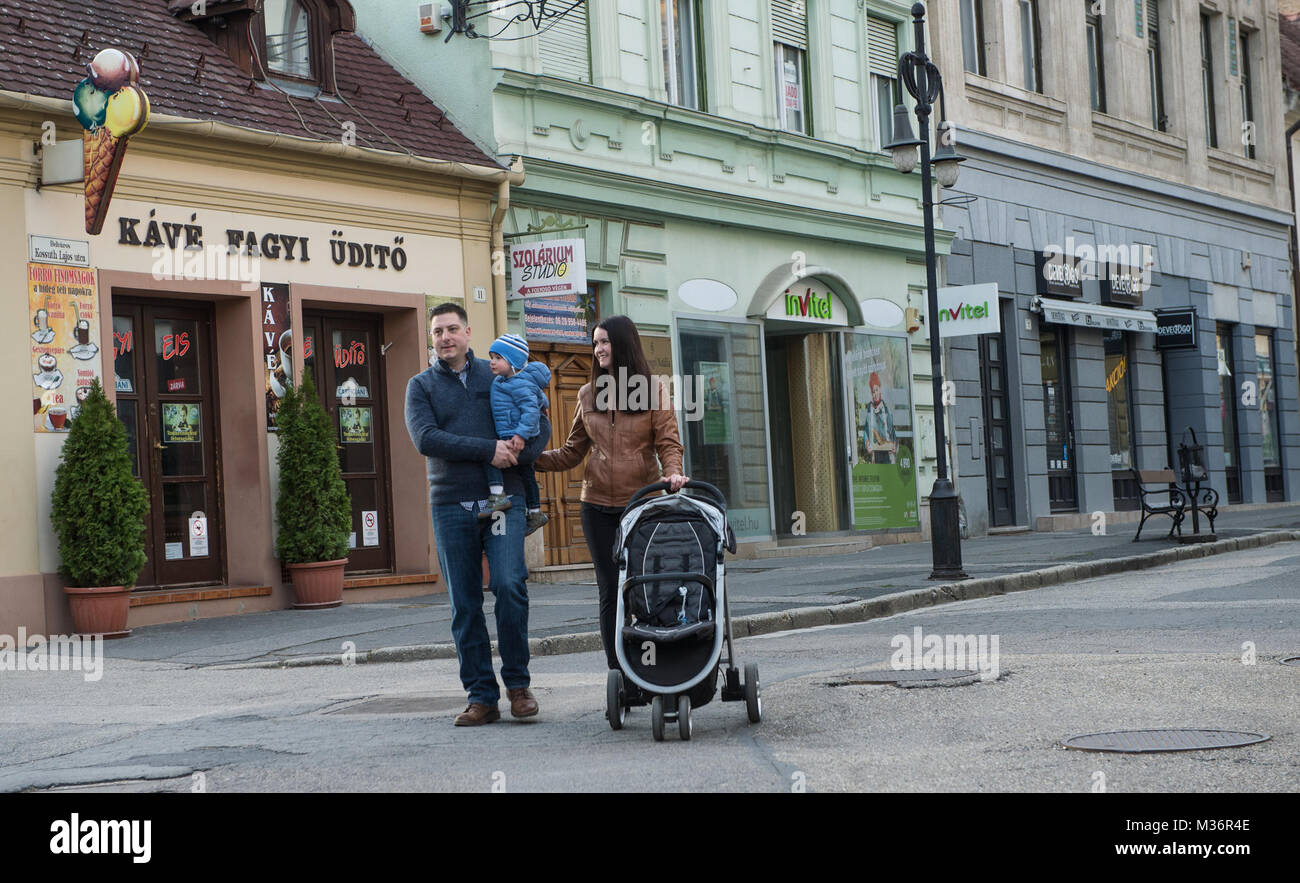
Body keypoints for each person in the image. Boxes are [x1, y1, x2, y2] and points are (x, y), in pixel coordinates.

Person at [404, 303, 550, 727]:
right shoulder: (420, 386)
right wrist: (488, 449)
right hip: (451, 503)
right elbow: (426, 439)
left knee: (509, 583)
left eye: (452, 329)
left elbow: (540, 419)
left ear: (468, 333)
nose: (445, 337)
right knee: (464, 603)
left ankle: (519, 687)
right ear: (431, 339)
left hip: (503, 501)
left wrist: (522, 451)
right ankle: (481, 697)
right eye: (437, 332)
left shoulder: (499, 372)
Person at [535, 315, 687, 692]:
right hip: (597, 505)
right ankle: (619, 674)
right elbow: (572, 453)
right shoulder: (588, 395)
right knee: (609, 588)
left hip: (642, 505)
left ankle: (650, 665)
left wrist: (674, 474)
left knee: (643, 585)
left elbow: (668, 441)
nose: (598, 349)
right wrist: (529, 457)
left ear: (623, 344)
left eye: (604, 341)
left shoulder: (653, 389)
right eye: (595, 343)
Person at [484, 332, 552, 536]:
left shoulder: (519, 383)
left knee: (492, 458)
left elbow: (531, 411)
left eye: (498, 358)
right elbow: (539, 400)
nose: (492, 363)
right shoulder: (503, 381)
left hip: (517, 436)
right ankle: (535, 512)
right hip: (511, 432)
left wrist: (521, 436)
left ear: (513, 361)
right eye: (491, 358)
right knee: (527, 473)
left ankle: (498, 496)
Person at [864, 371, 897, 465]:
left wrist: (894, 444)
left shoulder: (887, 410)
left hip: (888, 455)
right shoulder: (869, 411)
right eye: (873, 392)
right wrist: (867, 444)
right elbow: (866, 431)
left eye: (877, 390)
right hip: (875, 455)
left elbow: (892, 431)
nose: (875, 394)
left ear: (880, 389)